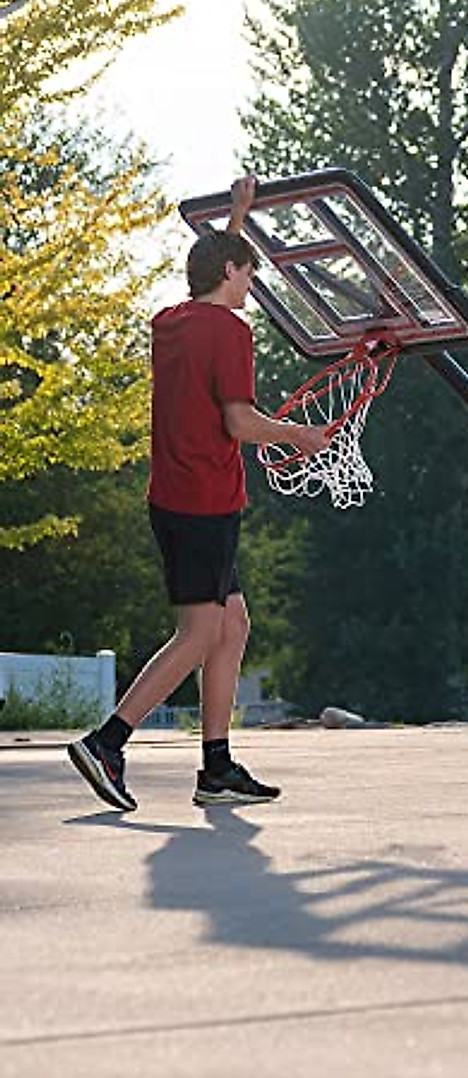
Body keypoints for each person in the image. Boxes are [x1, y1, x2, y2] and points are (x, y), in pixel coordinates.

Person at [68, 176, 328, 812]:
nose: (250, 289)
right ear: (233, 274)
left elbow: (215, 274)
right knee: (200, 632)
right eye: (247, 277)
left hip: (177, 496)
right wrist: (300, 436)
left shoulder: (172, 323)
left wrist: (237, 218)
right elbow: (240, 424)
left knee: (232, 624)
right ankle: (108, 741)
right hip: (204, 502)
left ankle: (215, 768)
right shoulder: (232, 335)